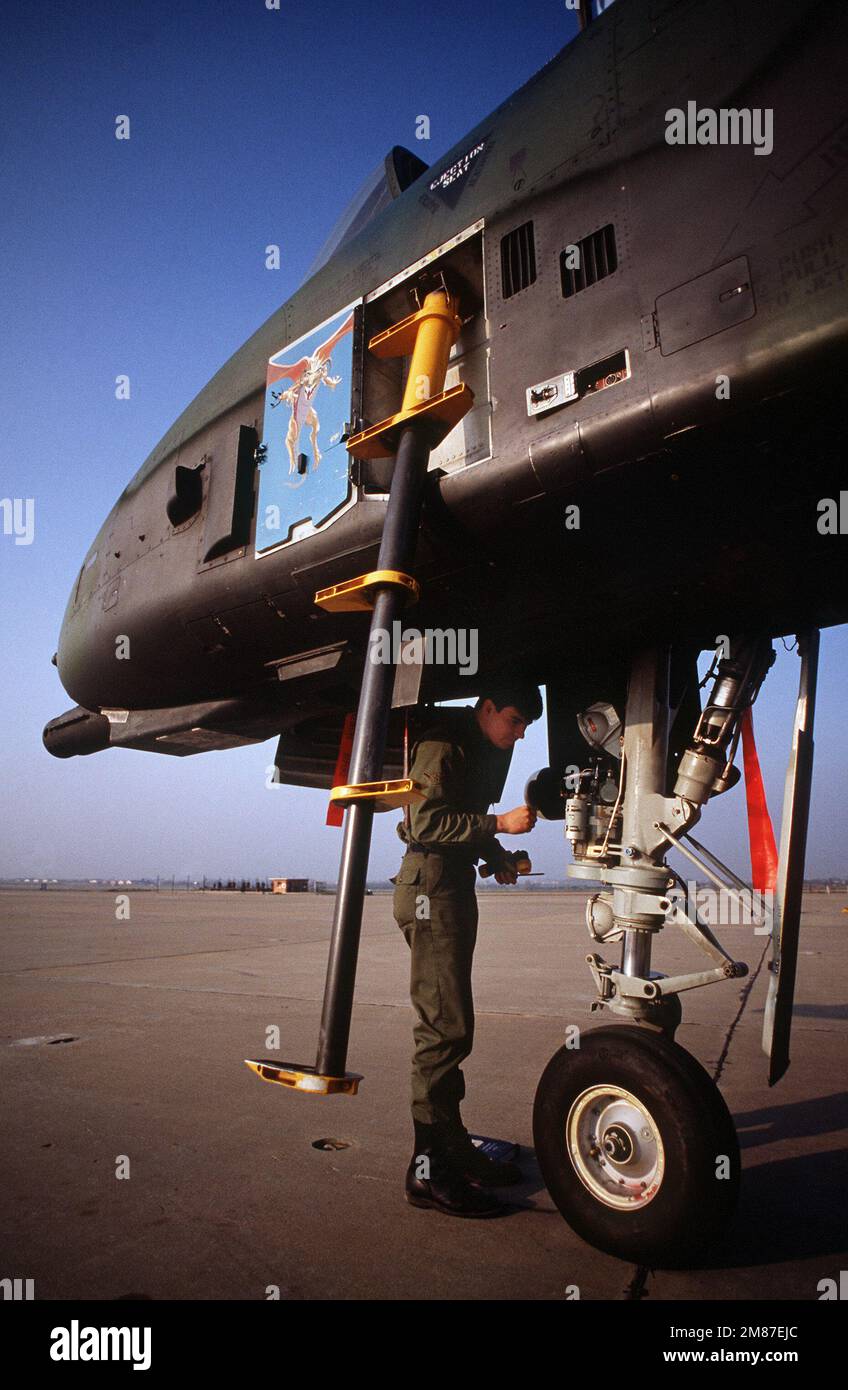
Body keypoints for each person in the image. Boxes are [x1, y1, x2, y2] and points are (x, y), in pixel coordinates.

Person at [392, 679, 543, 1218]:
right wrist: (498, 822)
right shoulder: (444, 743)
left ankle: (452, 1150)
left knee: (454, 1026)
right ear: (486, 708)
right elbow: (423, 820)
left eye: (527, 726)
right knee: (443, 1028)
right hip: (431, 889)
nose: (520, 734)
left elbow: (458, 823)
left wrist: (498, 853)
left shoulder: (474, 746)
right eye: (515, 721)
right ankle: (428, 1172)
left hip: (448, 883)